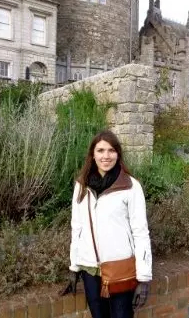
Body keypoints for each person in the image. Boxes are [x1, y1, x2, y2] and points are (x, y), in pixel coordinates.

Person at [60, 130, 152, 318]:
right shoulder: (82, 186)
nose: (106, 156)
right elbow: (77, 228)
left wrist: (144, 278)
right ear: (92, 154)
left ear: (118, 154)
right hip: (90, 270)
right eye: (100, 150)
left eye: (111, 150)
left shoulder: (130, 186)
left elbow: (140, 233)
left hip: (120, 268)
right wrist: (74, 267)